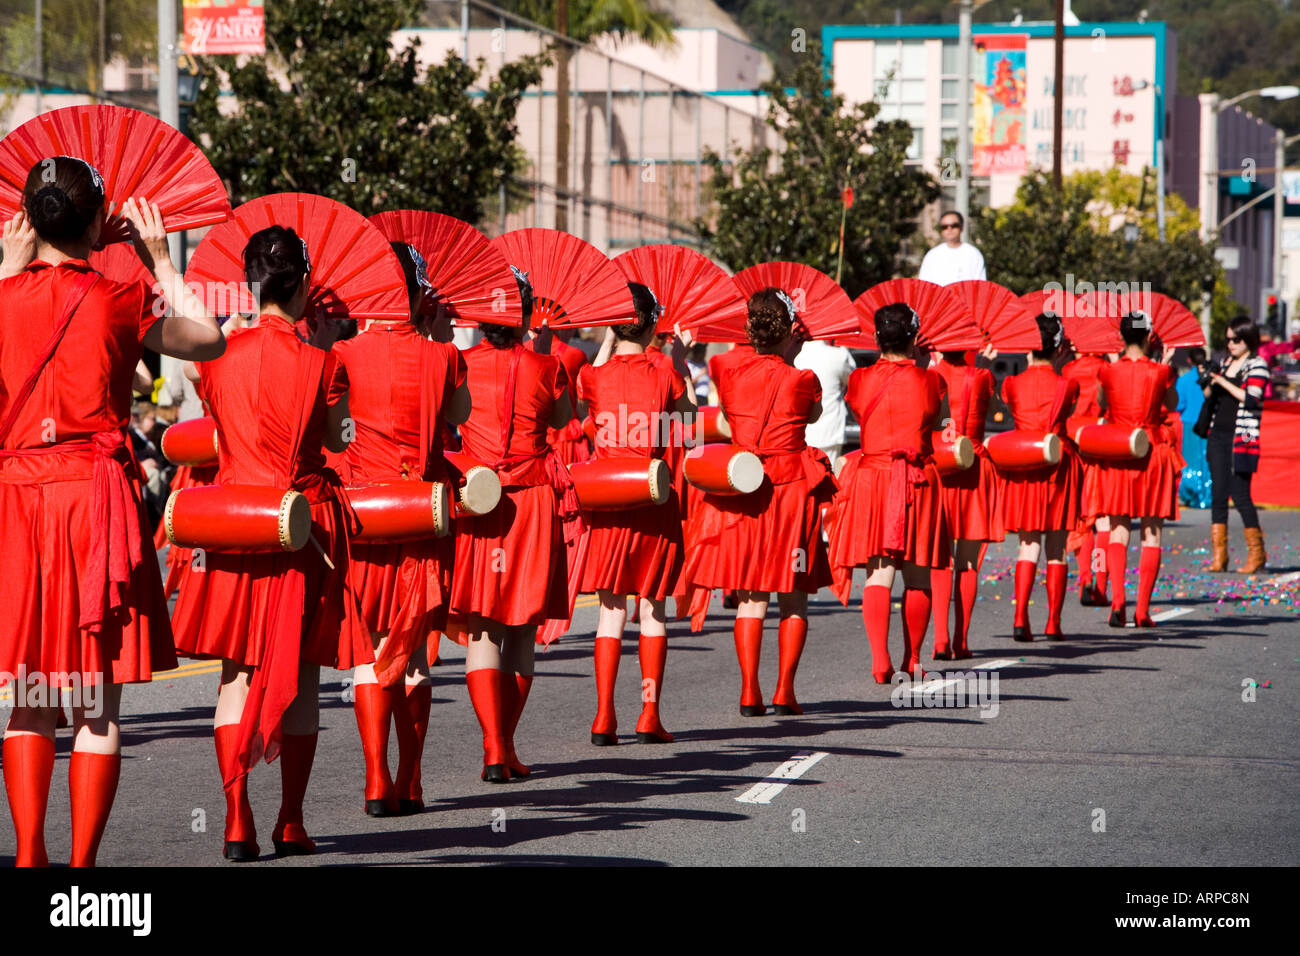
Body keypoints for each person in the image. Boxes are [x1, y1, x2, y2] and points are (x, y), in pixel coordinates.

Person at [0, 157, 223, 867]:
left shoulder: (1, 295)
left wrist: (10, 273)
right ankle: (81, 869)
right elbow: (209, 341)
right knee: (97, 705)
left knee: (29, 697)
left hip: (18, 498)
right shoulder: (124, 295)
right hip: (91, 497)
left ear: (28, 222)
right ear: (100, 223)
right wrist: (160, 258)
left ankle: (28, 858)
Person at [170, 226, 368, 860]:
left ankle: (234, 817)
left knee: (235, 672)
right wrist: (328, 351)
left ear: (250, 283)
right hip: (299, 526)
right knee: (302, 677)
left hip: (233, 522)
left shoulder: (216, 355)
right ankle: (290, 820)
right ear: (305, 285)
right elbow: (340, 441)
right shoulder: (323, 362)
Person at [333, 243, 470, 815]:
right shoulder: (443, 355)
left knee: (369, 649)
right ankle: (409, 783)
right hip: (421, 511)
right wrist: (436, 336)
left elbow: (333, 431)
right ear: (416, 293)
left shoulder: (342, 352)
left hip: (364, 512)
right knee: (413, 655)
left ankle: (374, 778)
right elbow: (459, 418)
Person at [447, 269, 576, 782]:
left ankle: (494, 745)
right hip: (532, 502)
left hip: (479, 499)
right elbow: (565, 418)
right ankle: (504, 747)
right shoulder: (550, 365)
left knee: (483, 623)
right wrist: (542, 353)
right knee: (521, 625)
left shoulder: (461, 363)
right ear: (522, 315)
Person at [684, 289, 835, 715]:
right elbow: (813, 417)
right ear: (789, 331)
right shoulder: (804, 379)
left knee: (751, 597)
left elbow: (730, 419)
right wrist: (791, 358)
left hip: (747, 485)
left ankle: (749, 691)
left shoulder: (726, 371)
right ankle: (785, 691)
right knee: (793, 595)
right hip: (791, 493)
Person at [576, 283, 695, 745]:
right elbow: (686, 423)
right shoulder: (665, 371)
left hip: (606, 500)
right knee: (652, 609)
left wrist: (609, 335)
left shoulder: (593, 376)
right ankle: (648, 715)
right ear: (651, 324)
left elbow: (594, 379)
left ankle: (604, 716)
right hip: (653, 495)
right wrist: (680, 357)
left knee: (610, 611)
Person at [826, 303, 948, 682]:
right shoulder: (932, 380)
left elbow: (863, 411)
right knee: (918, 575)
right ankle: (913, 659)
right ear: (914, 338)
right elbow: (940, 421)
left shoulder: (860, 380)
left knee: (879, 574)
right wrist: (924, 366)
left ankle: (880, 659)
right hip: (917, 480)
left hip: (874, 477)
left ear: (877, 337)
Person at [1085, 312, 1181, 627]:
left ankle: (1116, 602)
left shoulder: (1107, 371)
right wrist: (1168, 369)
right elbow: (1171, 403)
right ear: (1150, 337)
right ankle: (1142, 611)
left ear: (1122, 337)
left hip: (1120, 452)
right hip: (1152, 451)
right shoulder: (1161, 371)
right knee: (1151, 532)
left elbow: (1101, 402)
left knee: (1118, 529)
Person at [997, 315, 1082, 641]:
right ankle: (1053, 622)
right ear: (1059, 347)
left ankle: (1020, 619)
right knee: (1056, 547)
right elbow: (1068, 411)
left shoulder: (1011, 383)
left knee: (1027, 545)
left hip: (1024, 466)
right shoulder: (1069, 385)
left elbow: (1009, 403)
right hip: (1058, 465)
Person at [929, 346, 1002, 658]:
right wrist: (983, 363)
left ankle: (941, 639)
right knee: (968, 560)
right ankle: (961, 640)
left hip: (940, 467)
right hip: (973, 465)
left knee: (940, 556)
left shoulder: (930, 375)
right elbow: (994, 406)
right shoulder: (982, 375)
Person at [1202, 317, 1271, 574]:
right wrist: (1209, 381)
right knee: (1218, 494)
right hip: (1217, 435)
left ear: (1248, 340)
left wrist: (1223, 382)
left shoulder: (1258, 365)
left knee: (1240, 494)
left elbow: (1252, 398)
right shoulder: (1225, 363)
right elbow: (1208, 397)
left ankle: (1257, 553)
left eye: (1236, 340)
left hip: (1242, 437)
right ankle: (1219, 556)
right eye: (1228, 339)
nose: (1230, 344)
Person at [1061, 344, 1114, 606]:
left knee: (1082, 519)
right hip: (1100, 445)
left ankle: (1084, 578)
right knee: (1102, 520)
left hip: (1074, 446)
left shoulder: (1068, 369)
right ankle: (1100, 583)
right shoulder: (1105, 368)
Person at [794, 337, 856, 469]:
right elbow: (853, 378)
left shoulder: (796, 354)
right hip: (830, 430)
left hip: (801, 430)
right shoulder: (838, 356)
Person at [1175, 346, 1212, 510]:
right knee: (1206, 460)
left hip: (1190, 423)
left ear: (1189, 360)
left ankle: (1189, 493)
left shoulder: (1183, 380)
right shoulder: (1211, 378)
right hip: (1208, 423)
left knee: (1190, 461)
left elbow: (1178, 404)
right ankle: (1207, 493)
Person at [917, 211, 986, 286]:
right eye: (945, 227)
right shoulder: (932, 255)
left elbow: (980, 286)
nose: (949, 229)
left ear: (961, 227)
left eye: (954, 225)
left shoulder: (974, 254)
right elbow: (923, 285)